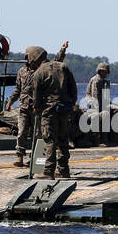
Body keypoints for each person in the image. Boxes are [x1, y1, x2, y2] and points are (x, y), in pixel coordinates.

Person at [28, 40, 76, 178]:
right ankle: (64, 170)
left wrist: (37, 109)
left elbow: (36, 96)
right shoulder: (63, 67)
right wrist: (71, 104)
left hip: (49, 112)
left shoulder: (39, 73)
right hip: (64, 110)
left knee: (50, 140)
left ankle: (48, 171)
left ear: (35, 59)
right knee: (63, 140)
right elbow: (73, 88)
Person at [5, 45, 47, 167]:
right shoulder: (21, 71)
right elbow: (17, 89)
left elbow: (56, 61)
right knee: (22, 132)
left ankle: (33, 159)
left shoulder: (42, 71)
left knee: (37, 134)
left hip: (37, 108)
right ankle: (19, 157)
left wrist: (62, 51)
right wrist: (10, 102)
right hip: (23, 107)